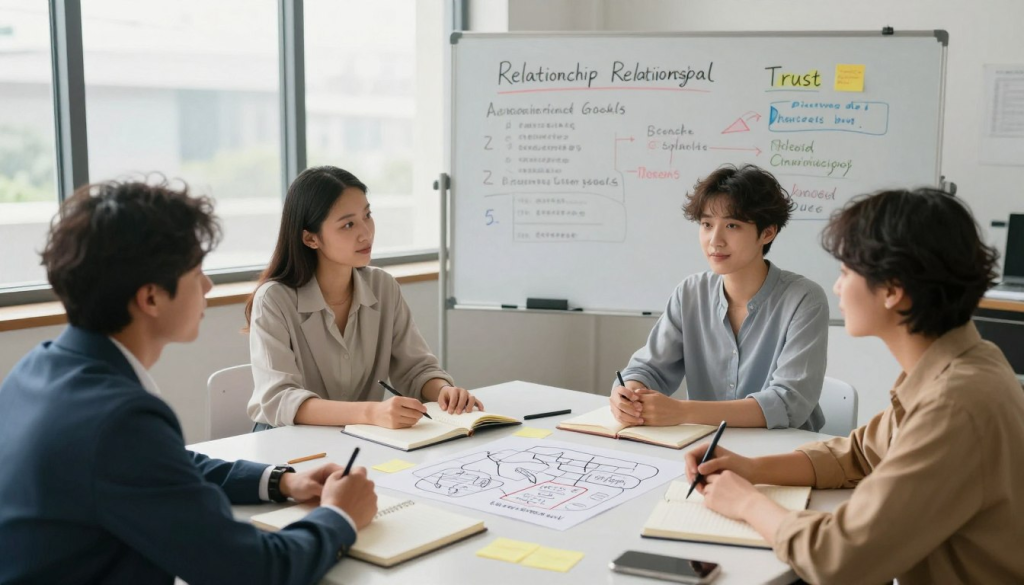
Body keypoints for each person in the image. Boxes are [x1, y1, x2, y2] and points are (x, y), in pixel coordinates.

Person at [0, 180, 378, 585]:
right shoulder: (119, 420)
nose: (208, 286)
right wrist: (339, 516)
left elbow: (162, 464)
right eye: (196, 272)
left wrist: (283, 480)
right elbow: (253, 571)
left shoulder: (37, 370)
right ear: (151, 298)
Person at [685, 188, 1024, 584]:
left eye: (846, 272)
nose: (837, 288)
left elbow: (837, 559)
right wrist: (752, 468)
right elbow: (860, 455)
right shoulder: (964, 363)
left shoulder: (954, 405)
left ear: (892, 290)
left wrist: (747, 503)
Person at [246, 166, 481, 430]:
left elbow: (415, 369)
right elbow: (279, 399)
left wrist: (443, 391)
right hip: (287, 444)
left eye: (367, 215)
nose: (365, 233)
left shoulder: (383, 286)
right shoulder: (274, 300)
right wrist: (371, 413)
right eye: (348, 224)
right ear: (311, 238)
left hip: (360, 439)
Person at [611, 164, 828, 431]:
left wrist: (682, 411)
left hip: (782, 454)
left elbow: (787, 404)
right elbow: (650, 369)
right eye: (706, 224)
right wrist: (629, 393)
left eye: (732, 225)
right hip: (703, 447)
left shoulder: (804, 299)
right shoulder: (690, 293)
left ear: (768, 232)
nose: (715, 240)